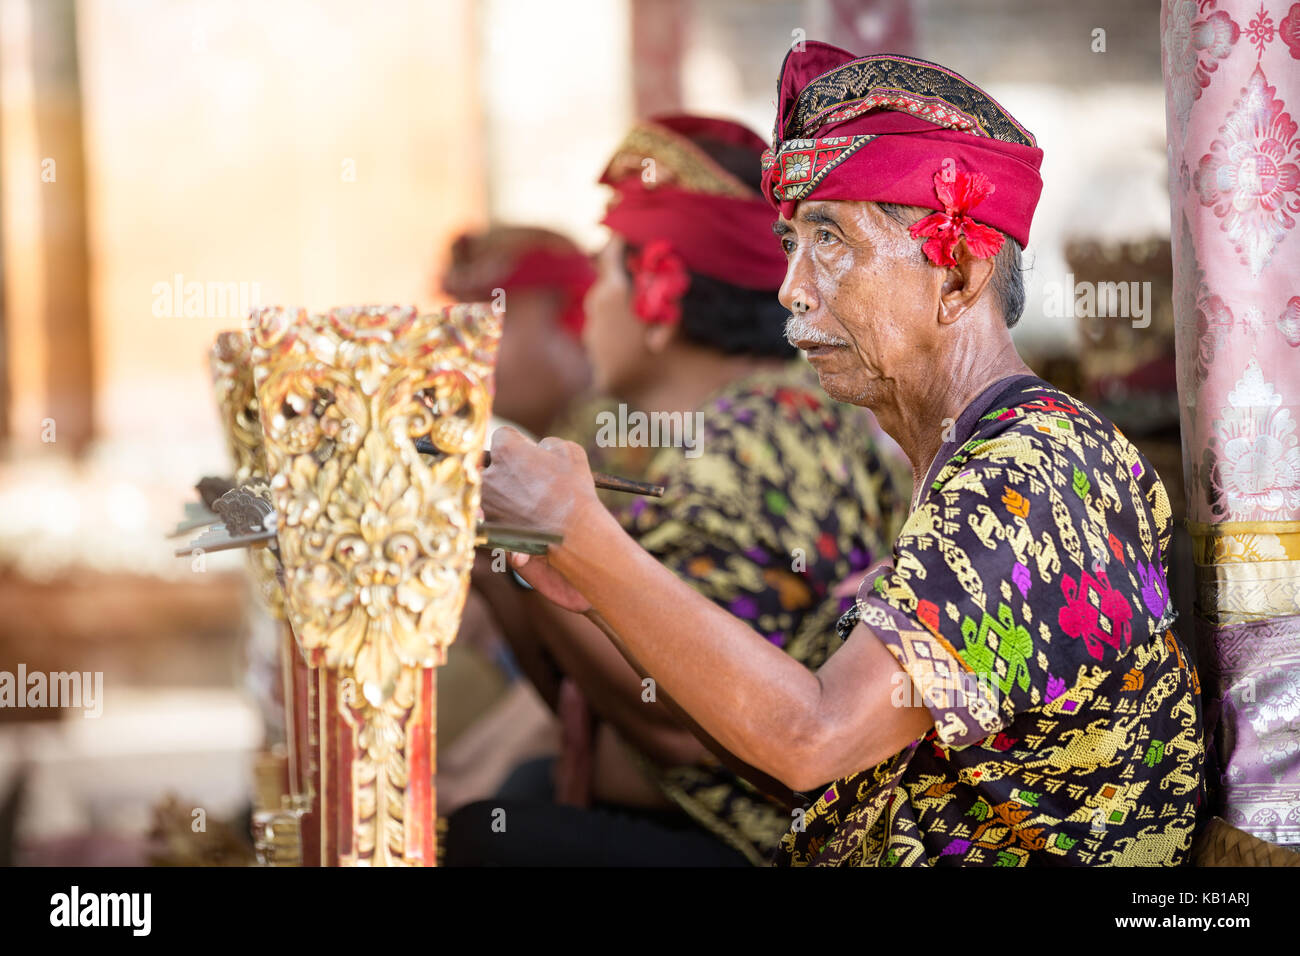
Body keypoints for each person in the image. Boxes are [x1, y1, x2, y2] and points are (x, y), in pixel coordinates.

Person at [476, 46, 1205, 866]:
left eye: (830, 239)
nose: (792, 286)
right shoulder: (974, 458)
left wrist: (581, 534)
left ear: (958, 276)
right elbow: (801, 774)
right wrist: (587, 577)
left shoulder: (1033, 471)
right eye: (791, 240)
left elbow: (810, 740)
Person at [445, 114, 905, 865]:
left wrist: (534, 542)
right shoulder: (791, 408)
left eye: (607, 272)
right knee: (517, 799)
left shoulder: (739, 453)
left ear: (659, 292)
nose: (590, 305)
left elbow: (673, 728)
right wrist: (504, 559)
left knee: (484, 838)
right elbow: (586, 693)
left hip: (775, 843)